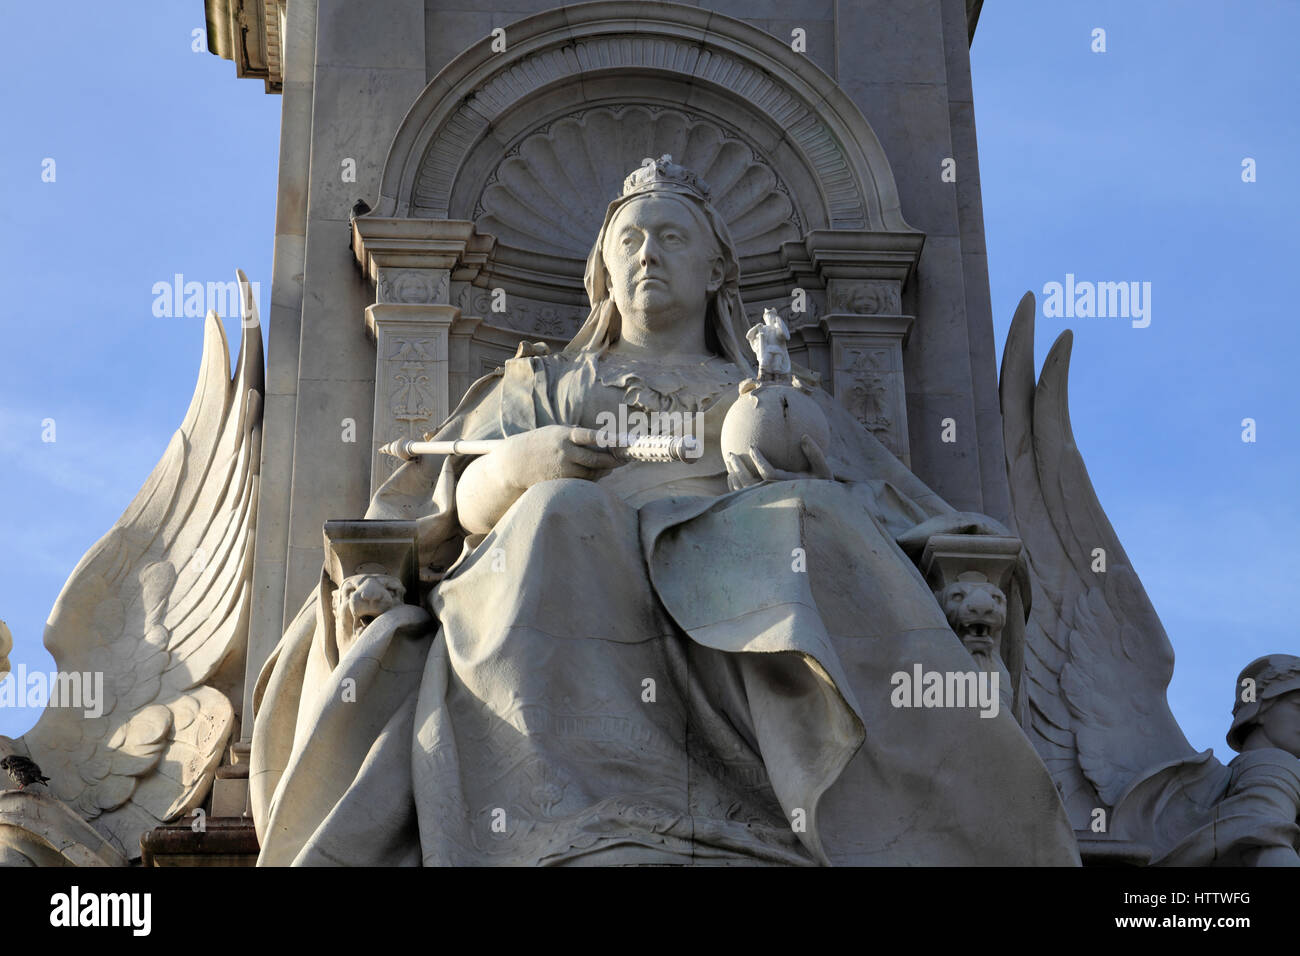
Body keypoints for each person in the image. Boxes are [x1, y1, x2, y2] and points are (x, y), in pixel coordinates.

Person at [250, 156, 1078, 866]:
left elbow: (891, 506)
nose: (650, 255)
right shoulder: (540, 385)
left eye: (673, 237)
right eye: (631, 239)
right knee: (556, 517)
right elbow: (443, 505)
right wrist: (510, 470)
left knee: (807, 523)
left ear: (717, 270)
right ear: (602, 270)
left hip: (737, 564)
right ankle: (567, 810)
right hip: (577, 560)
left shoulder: (773, 391)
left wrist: (795, 450)